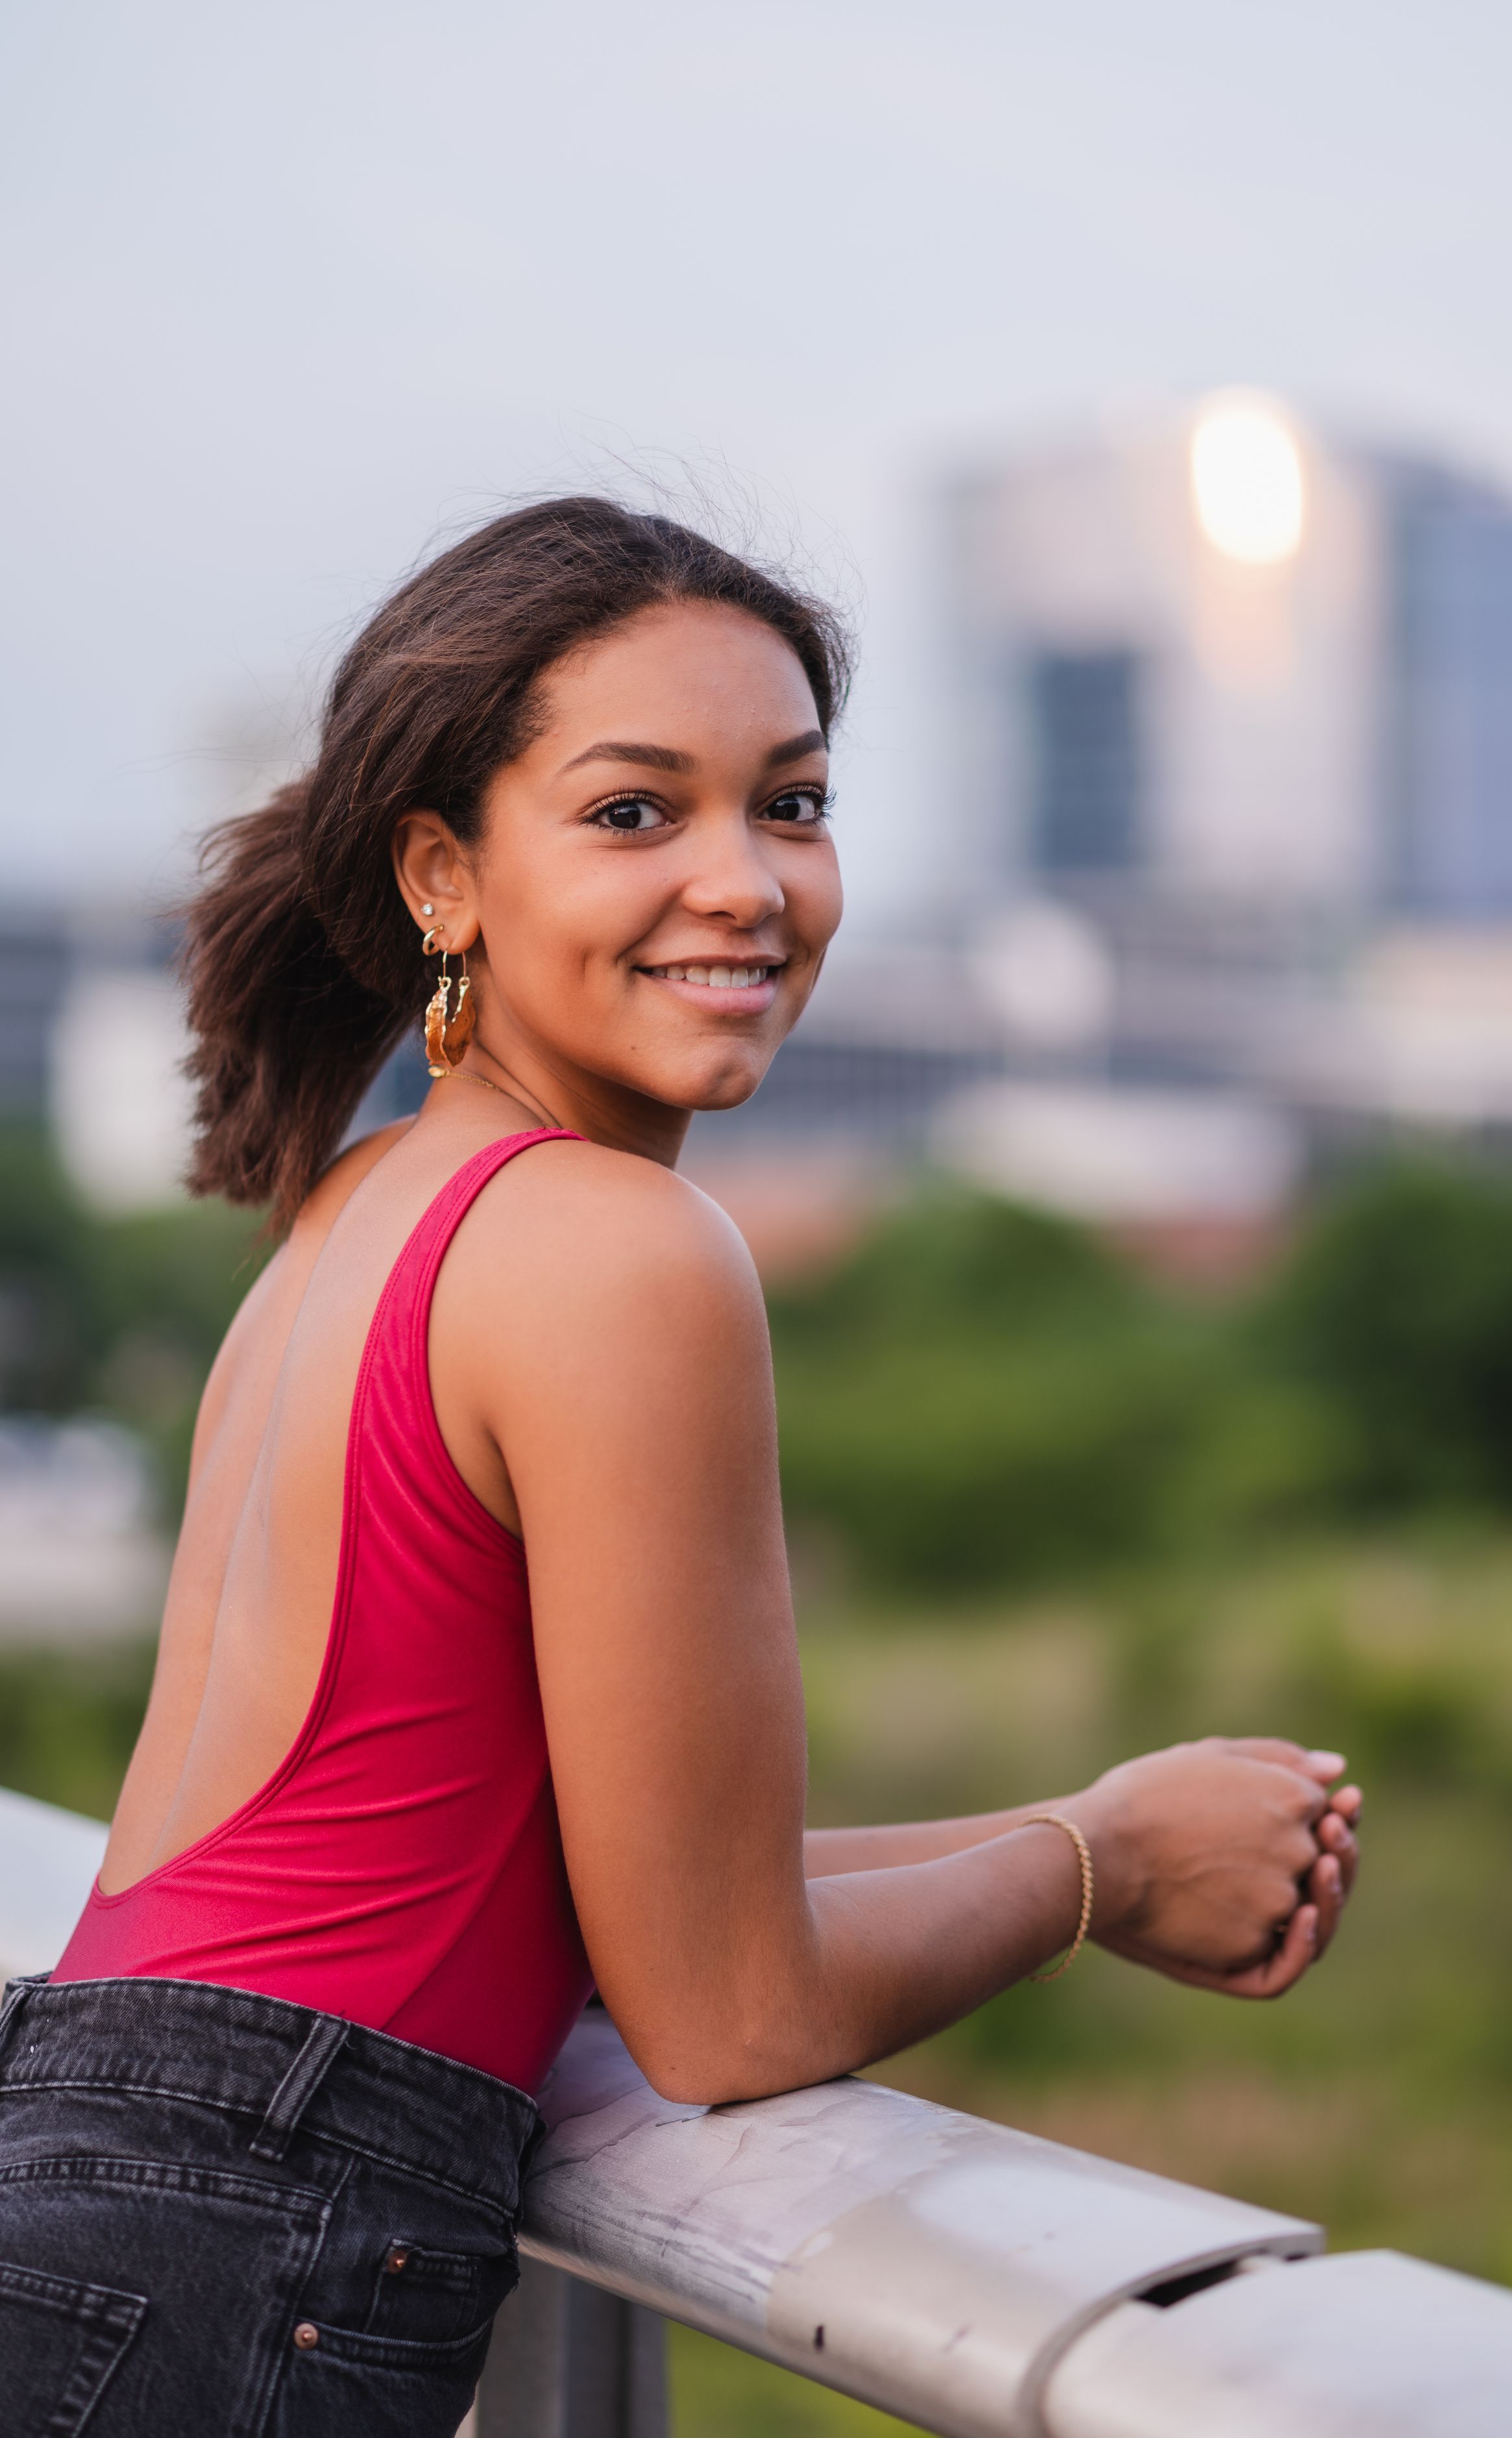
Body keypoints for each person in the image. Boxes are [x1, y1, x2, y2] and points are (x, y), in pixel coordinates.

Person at [0, 500, 1360, 2436]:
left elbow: (586, 1884)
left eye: (789, 805)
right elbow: (729, 2009)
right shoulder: (617, 1251)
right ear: (444, 875)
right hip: (231, 2251)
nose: (741, 882)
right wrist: (1104, 1865)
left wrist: (1092, 1826)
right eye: (635, 812)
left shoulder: (369, 1207)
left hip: (102, 2170)